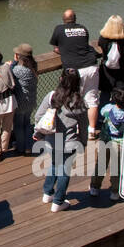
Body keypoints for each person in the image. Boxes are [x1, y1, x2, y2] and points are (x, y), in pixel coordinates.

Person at [36, 67, 88, 212]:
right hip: (70, 143)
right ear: (78, 83)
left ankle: (48, 193)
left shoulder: (52, 97)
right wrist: (84, 143)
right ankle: (58, 202)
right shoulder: (80, 103)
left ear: (60, 79)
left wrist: (39, 133)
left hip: (52, 141)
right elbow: (84, 127)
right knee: (64, 171)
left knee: (53, 164)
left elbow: (38, 117)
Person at [91, 85, 124, 199]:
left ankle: (94, 187)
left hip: (106, 140)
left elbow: (101, 113)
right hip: (120, 143)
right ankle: (115, 191)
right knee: (116, 168)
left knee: (101, 164)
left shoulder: (107, 109)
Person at [50, 10, 100, 111]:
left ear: (63, 20)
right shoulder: (83, 28)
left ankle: (74, 124)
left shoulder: (59, 29)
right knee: (91, 99)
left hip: (75, 70)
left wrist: (65, 51)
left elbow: (55, 48)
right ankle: (92, 127)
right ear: (75, 19)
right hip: (91, 66)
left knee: (72, 97)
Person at [96, 15, 124, 103]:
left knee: (105, 93)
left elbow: (99, 44)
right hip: (122, 71)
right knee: (123, 93)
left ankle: (102, 114)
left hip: (106, 71)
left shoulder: (102, 39)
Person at [11, 44, 39, 156]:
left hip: (20, 102)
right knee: (27, 123)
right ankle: (29, 146)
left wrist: (13, 62)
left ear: (19, 56)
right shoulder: (34, 66)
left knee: (18, 125)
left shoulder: (18, 70)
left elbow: (9, 72)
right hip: (31, 101)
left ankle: (21, 147)